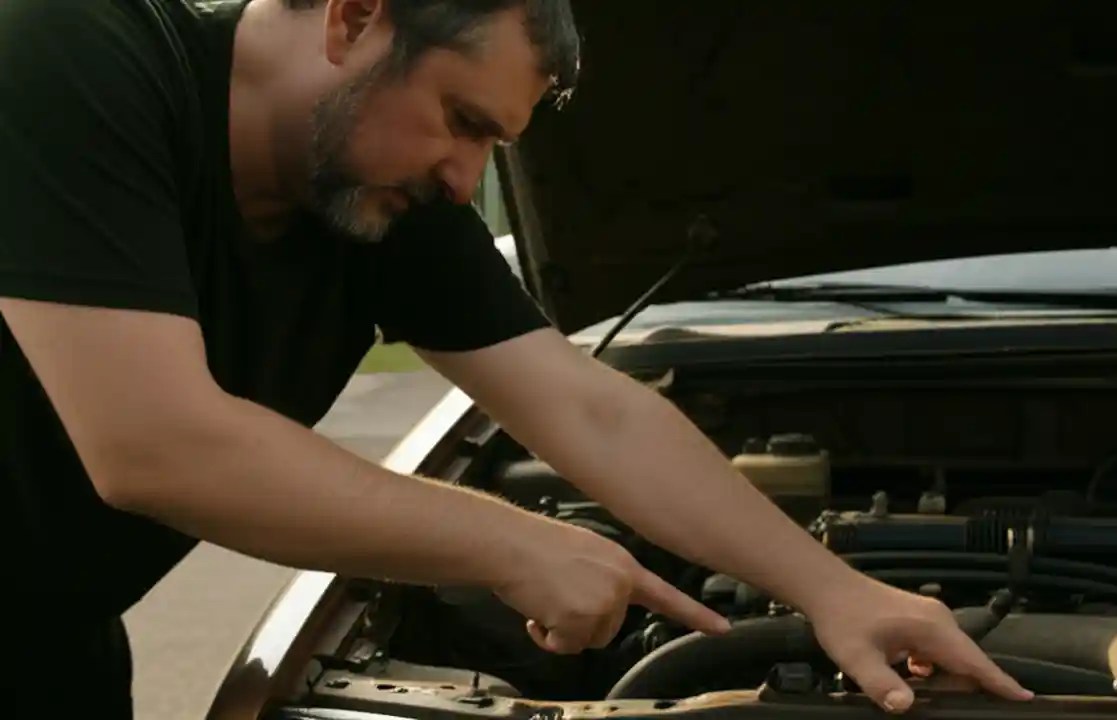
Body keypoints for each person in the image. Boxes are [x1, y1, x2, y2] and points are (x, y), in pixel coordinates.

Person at [0, 0, 1033, 716]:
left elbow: (588, 410)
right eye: (459, 120)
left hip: (54, 655)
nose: (464, 178)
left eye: (493, 142)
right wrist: (511, 542)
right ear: (355, 16)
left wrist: (834, 591)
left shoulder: (377, 203)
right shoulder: (70, 53)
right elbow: (152, 444)